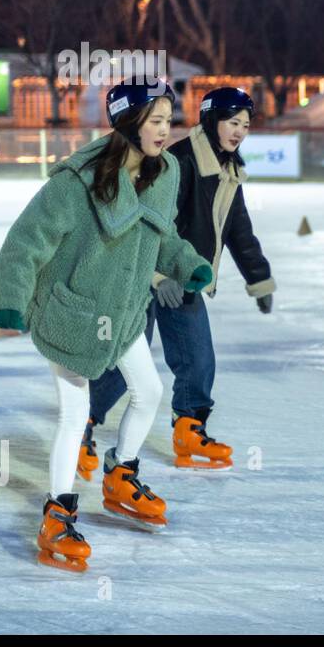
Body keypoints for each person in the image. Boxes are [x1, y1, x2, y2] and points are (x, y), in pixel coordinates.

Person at [0, 82, 212, 572]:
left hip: (123, 312)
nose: (165, 131)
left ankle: (121, 474)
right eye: (155, 121)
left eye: (169, 120)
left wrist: (184, 262)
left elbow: (160, 234)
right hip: (72, 313)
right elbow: (28, 240)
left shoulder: (165, 172)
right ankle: (58, 513)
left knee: (149, 392)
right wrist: (8, 301)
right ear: (129, 124)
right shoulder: (77, 182)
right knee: (74, 414)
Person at [81, 86, 276, 478]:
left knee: (198, 356)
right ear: (211, 121)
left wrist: (260, 279)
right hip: (144, 276)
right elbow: (151, 221)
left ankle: (190, 429)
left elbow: (238, 228)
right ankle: (83, 423)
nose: (239, 131)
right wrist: (157, 274)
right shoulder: (180, 161)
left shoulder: (228, 169)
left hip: (185, 279)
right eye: (232, 122)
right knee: (124, 363)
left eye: (245, 124)